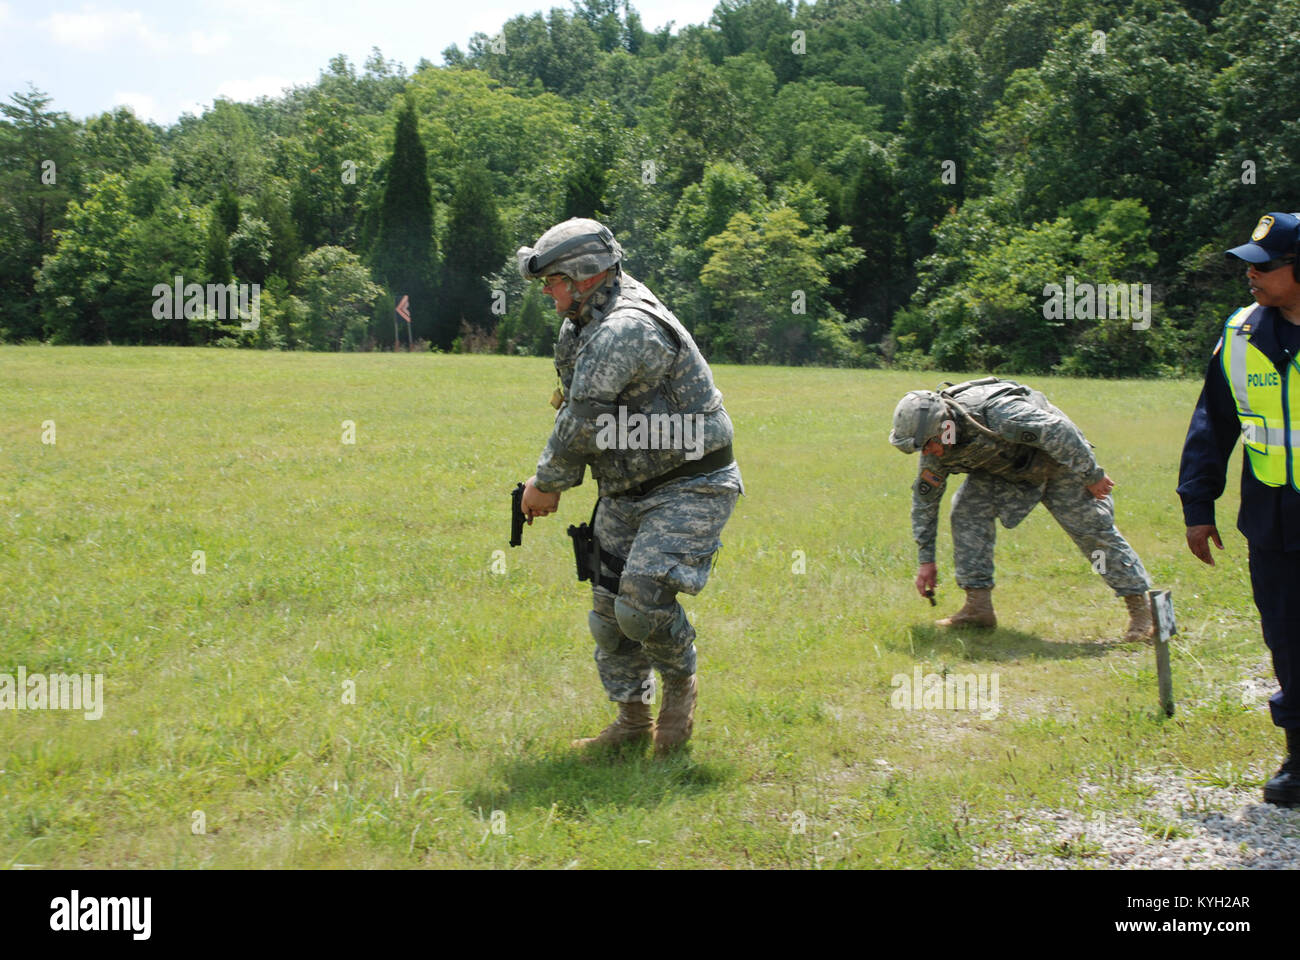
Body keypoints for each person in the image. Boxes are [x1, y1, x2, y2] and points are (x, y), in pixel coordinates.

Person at [515, 218, 742, 755]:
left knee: (640, 603)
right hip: (626, 486)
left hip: (690, 481)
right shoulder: (582, 319)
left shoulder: (625, 328)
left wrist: (547, 483)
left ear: (584, 275)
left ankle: (680, 685)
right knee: (608, 613)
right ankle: (632, 721)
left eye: (551, 280)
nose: (546, 291)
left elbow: (584, 418)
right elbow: (578, 407)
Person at [1177, 211, 1300, 807]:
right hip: (1273, 520)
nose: (1251, 278)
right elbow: (1213, 420)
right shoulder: (1242, 332)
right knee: (1286, 636)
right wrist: (1198, 502)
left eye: (1265, 267)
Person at [889, 378, 1154, 640]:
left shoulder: (1000, 414)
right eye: (922, 448)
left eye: (929, 444)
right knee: (967, 512)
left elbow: (1059, 431)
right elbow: (925, 501)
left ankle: (1143, 613)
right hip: (1006, 470)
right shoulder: (936, 448)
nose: (930, 453)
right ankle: (978, 608)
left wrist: (1092, 474)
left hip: (1057, 458)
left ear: (945, 424)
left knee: (1091, 531)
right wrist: (926, 560)